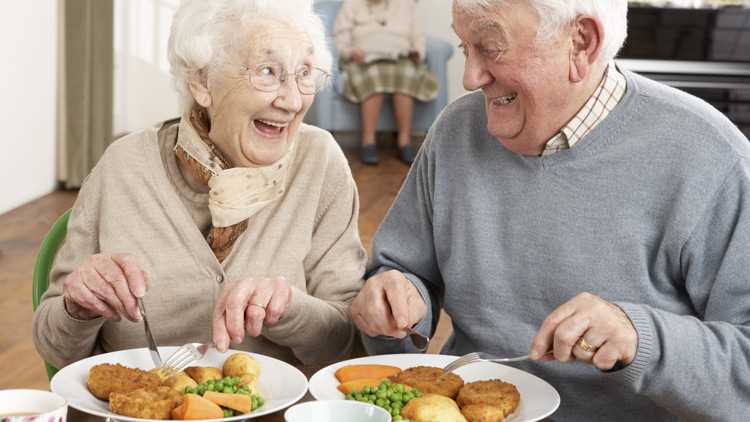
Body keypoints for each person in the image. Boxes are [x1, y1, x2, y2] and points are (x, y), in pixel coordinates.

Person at [349, 0, 750, 420]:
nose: (469, 77)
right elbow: (400, 274)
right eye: (464, 46)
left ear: (581, 42)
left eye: (490, 47)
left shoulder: (710, 157)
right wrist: (393, 303)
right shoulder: (455, 131)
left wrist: (640, 338)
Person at [33, 0, 366, 371]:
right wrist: (77, 308)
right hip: (140, 409)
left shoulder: (319, 162)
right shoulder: (125, 165)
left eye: (305, 73)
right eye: (268, 71)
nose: (291, 100)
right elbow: (56, 347)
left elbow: (349, 347)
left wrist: (290, 308)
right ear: (202, 82)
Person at [334, 0, 439, 165]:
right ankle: (368, 141)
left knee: (406, 77)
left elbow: (418, 36)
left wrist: (417, 52)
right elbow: (340, 37)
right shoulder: (352, 4)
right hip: (364, 60)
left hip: (399, 58)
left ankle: (404, 142)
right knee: (373, 79)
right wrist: (351, 52)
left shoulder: (407, 4)